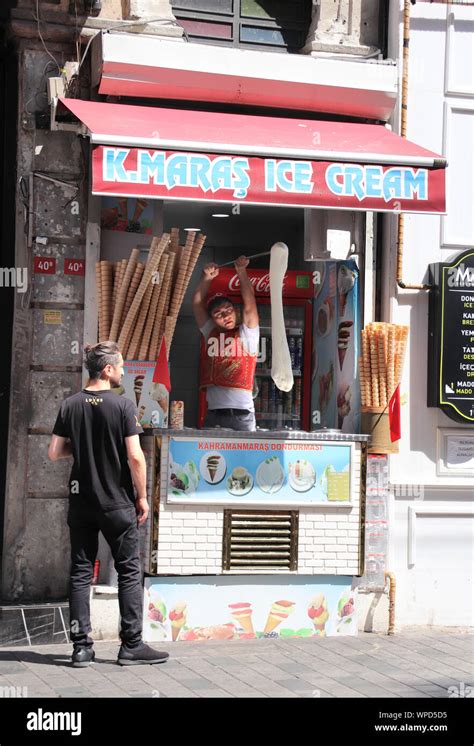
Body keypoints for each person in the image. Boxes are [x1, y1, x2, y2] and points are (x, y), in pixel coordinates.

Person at [48, 341, 169, 668]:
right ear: (107, 370)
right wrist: (142, 497)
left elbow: (54, 452)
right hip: (117, 503)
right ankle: (131, 645)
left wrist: (84, 450)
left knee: (80, 572)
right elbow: (135, 457)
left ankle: (81, 648)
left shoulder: (70, 404)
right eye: (120, 367)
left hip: (81, 503)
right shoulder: (123, 407)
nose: (124, 371)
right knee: (129, 570)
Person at [193, 255, 260, 431]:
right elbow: (197, 304)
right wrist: (206, 278)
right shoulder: (210, 333)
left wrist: (241, 272)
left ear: (236, 312)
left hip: (242, 415)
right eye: (218, 314)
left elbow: (250, 305)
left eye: (228, 310)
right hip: (213, 413)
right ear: (213, 319)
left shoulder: (247, 335)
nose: (225, 316)